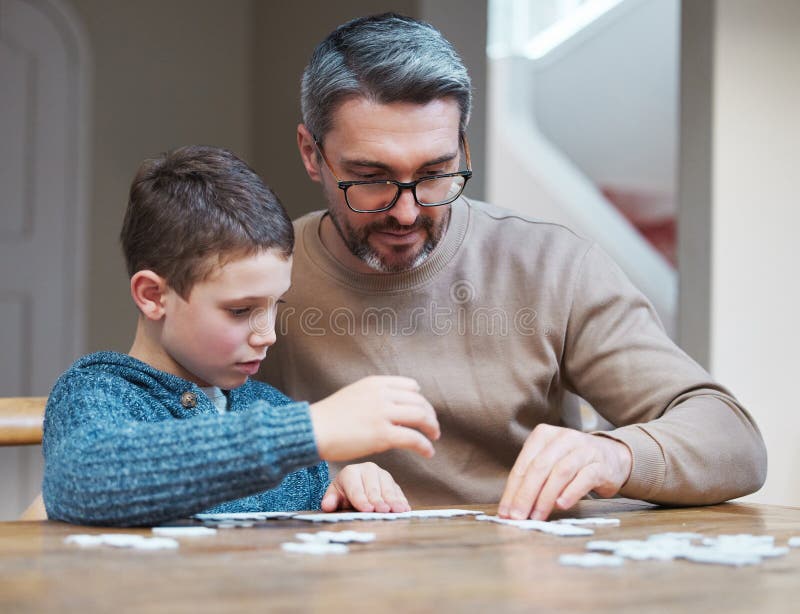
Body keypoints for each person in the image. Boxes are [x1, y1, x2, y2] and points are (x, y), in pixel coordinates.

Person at [260, 13, 767, 521]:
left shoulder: (551, 266)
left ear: (463, 146)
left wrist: (615, 454)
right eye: (371, 177)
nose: (407, 211)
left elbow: (733, 441)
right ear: (311, 153)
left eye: (436, 173)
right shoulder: (256, 278)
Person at [42, 145, 440, 526]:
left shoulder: (269, 408)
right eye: (240, 310)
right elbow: (86, 480)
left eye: (275, 306)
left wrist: (343, 490)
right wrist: (305, 431)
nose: (266, 335)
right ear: (153, 296)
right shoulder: (98, 393)